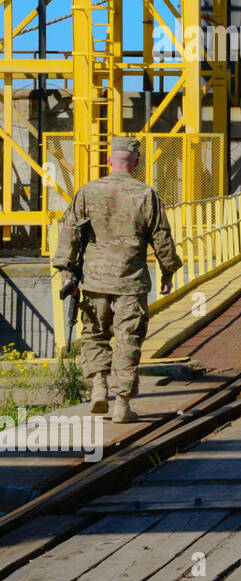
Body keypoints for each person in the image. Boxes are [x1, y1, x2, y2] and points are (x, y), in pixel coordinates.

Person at [52, 136, 182, 423]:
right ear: (136, 163)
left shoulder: (87, 191)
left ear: (110, 160)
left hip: (94, 281)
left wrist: (66, 274)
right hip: (131, 282)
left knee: (94, 334)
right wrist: (168, 272)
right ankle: (122, 404)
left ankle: (99, 386)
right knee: (128, 339)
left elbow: (69, 233)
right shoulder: (146, 195)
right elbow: (162, 238)